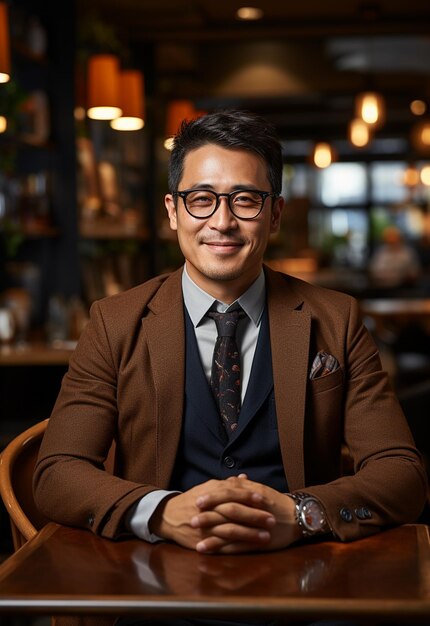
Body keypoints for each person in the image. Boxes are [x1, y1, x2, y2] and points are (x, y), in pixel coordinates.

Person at [33, 110, 427, 626]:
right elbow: (57, 472)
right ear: (173, 211)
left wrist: (300, 513)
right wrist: (159, 511)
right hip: (153, 589)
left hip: (305, 589)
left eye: (245, 199)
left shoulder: (337, 319)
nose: (222, 221)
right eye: (202, 199)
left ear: (276, 214)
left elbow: (403, 474)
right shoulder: (115, 322)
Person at [369, 225, 422, 289]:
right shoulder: (380, 252)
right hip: (380, 289)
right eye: (388, 237)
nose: (391, 239)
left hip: (402, 289)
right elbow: (372, 270)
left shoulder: (408, 253)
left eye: (393, 236)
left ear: (399, 238)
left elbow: (414, 273)